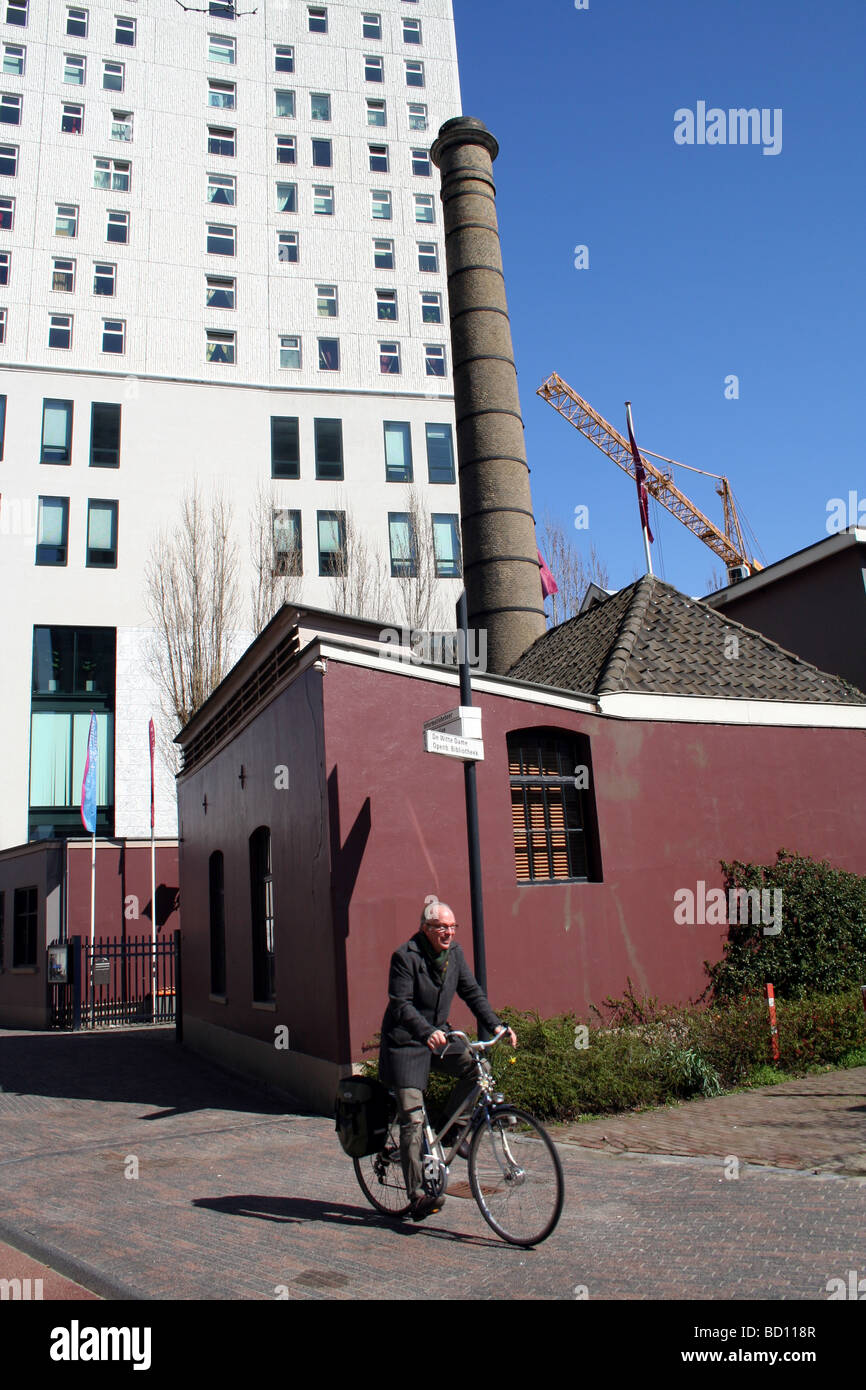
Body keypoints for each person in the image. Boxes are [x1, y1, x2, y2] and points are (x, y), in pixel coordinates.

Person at [378, 895, 517, 1221]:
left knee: (474, 1067)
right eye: (441, 927)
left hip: (438, 1037)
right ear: (425, 928)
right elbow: (400, 1004)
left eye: (452, 927)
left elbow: (471, 992)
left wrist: (497, 1024)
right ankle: (417, 1196)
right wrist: (425, 1031)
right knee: (412, 1119)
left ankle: (452, 1130)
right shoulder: (405, 956)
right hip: (406, 1044)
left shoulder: (453, 954)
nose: (449, 933)